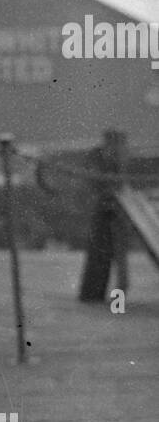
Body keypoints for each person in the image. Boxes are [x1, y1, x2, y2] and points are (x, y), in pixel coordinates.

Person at [78, 128, 128, 303]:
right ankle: (103, 298)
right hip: (107, 212)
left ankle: (116, 302)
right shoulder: (99, 157)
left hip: (115, 212)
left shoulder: (111, 158)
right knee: (107, 261)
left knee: (119, 265)